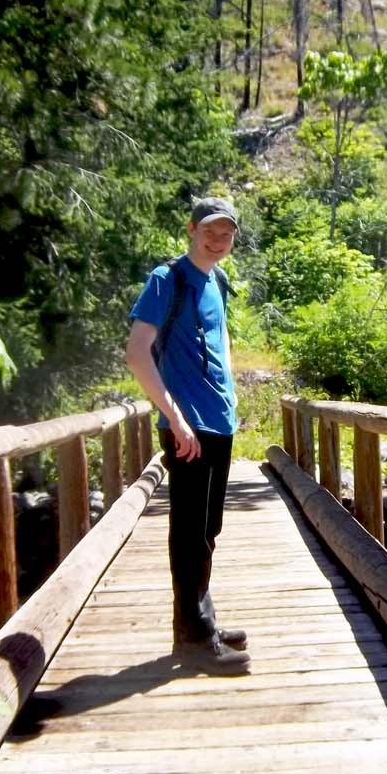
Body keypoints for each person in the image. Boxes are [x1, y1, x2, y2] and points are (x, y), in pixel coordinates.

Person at [125, 196, 251, 675]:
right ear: (192, 228)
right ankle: (194, 640)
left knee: (207, 530)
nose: (218, 241)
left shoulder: (217, 280)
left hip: (218, 421)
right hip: (187, 427)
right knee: (188, 531)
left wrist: (231, 402)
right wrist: (174, 418)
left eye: (227, 233)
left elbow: (219, 347)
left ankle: (202, 621)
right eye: (211, 231)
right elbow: (137, 352)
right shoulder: (167, 279)